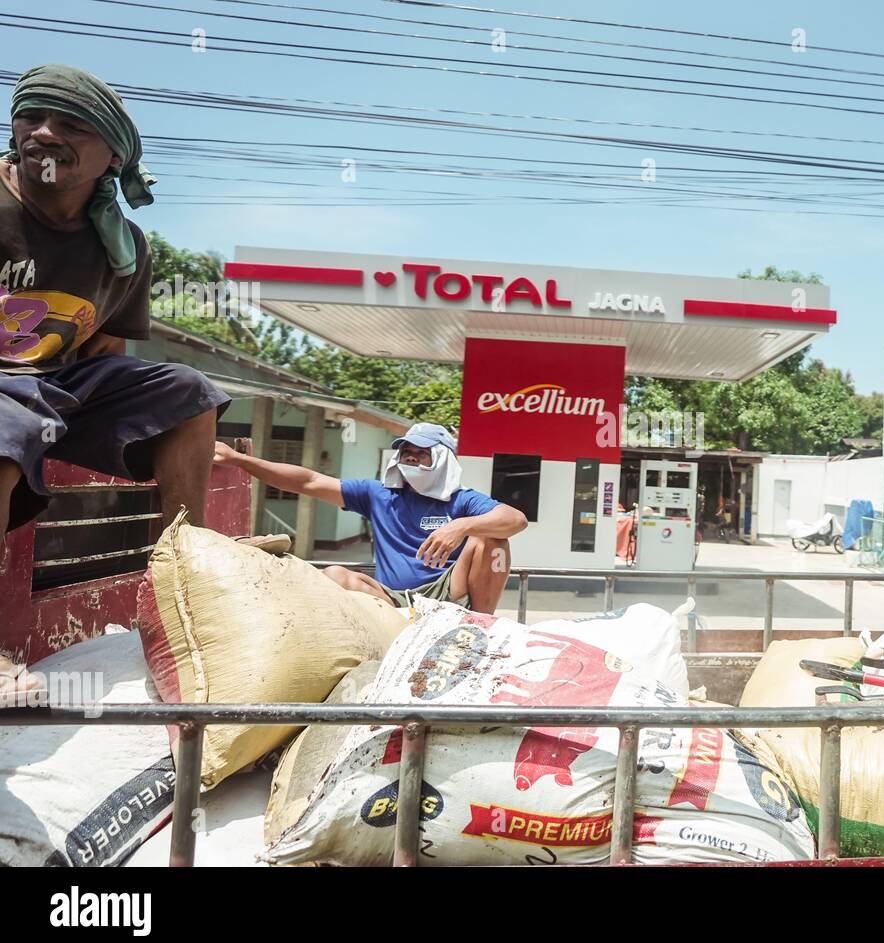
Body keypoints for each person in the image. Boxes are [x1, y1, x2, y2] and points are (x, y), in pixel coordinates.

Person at [0, 65, 229, 550]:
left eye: (72, 125)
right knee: (7, 419)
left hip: (50, 392)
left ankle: (187, 559)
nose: (43, 133)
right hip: (8, 404)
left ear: (112, 158)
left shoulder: (124, 247)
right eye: (31, 117)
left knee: (189, 392)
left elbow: (103, 354)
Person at [213, 423, 528, 612]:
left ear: (443, 459)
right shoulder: (377, 494)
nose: (410, 456)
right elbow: (308, 481)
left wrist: (461, 526)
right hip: (391, 599)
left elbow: (515, 519)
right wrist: (238, 459)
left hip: (449, 594)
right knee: (335, 574)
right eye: (405, 450)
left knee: (492, 539)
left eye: (421, 452)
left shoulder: (462, 500)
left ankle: (481, 627)